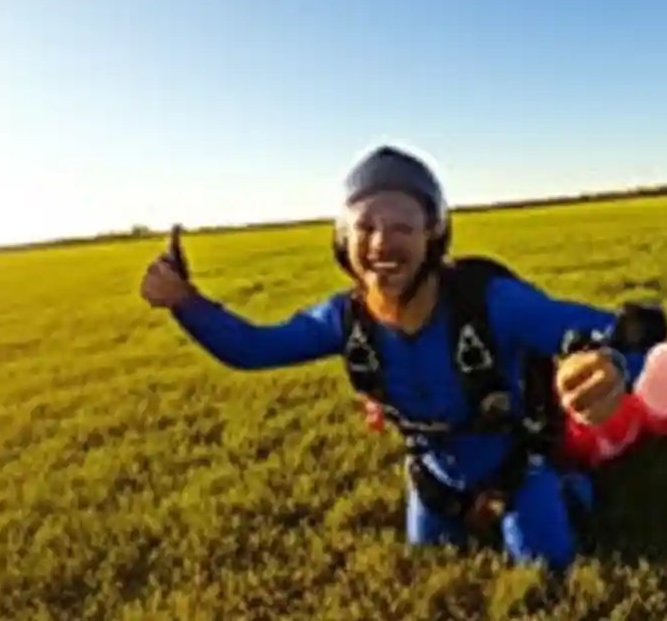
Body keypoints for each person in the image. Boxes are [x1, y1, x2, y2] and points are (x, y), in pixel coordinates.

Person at [139, 145, 632, 573]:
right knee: (430, 560)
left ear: (431, 237)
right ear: (343, 241)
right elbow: (253, 349)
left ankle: (567, 487)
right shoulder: (344, 320)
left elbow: (612, 331)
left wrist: (609, 359)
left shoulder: (488, 303)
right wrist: (185, 301)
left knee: (547, 568)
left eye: (402, 227)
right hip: (433, 475)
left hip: (515, 465)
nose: (381, 243)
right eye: (365, 227)